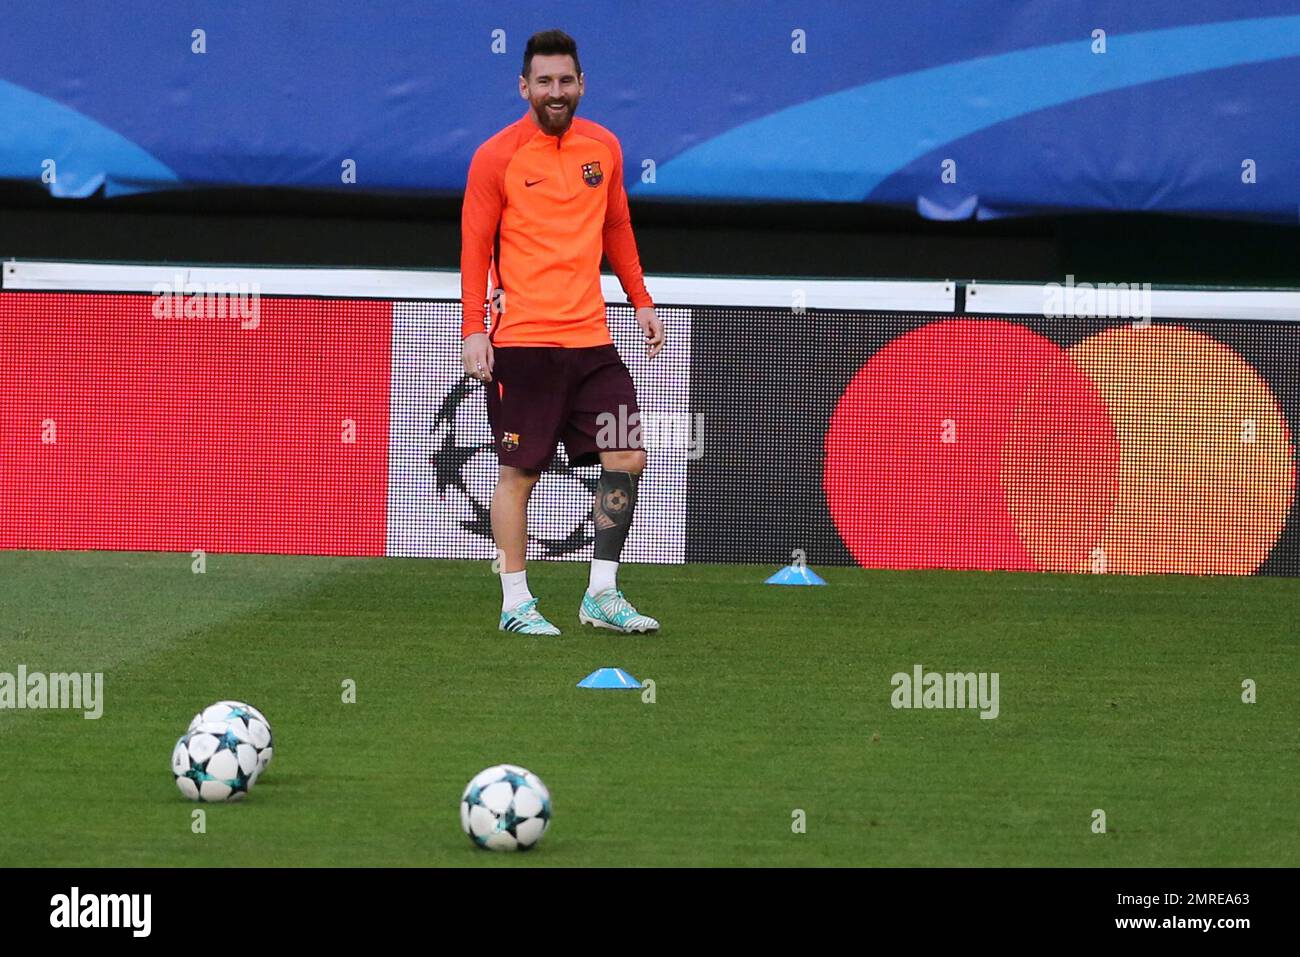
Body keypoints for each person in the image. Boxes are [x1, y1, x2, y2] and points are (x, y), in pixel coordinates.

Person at [460, 29, 664, 636]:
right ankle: (515, 603)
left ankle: (601, 593)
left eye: (566, 80)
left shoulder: (604, 146)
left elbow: (618, 227)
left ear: (582, 85)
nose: (556, 91)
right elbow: (474, 249)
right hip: (523, 344)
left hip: (593, 343)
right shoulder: (495, 157)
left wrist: (642, 300)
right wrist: (475, 329)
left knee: (627, 452)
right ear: (524, 87)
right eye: (544, 81)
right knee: (519, 473)